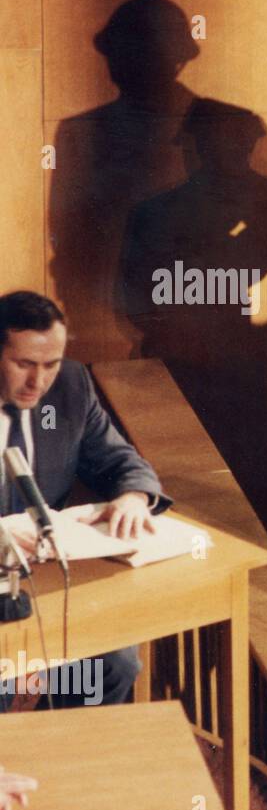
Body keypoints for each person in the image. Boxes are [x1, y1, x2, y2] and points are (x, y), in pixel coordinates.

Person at [0, 291, 171, 712]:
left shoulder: (71, 387)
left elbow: (118, 459)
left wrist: (133, 495)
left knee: (115, 664)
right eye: (23, 364)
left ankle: (61, 751)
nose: (37, 382)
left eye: (50, 364)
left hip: (48, 576)